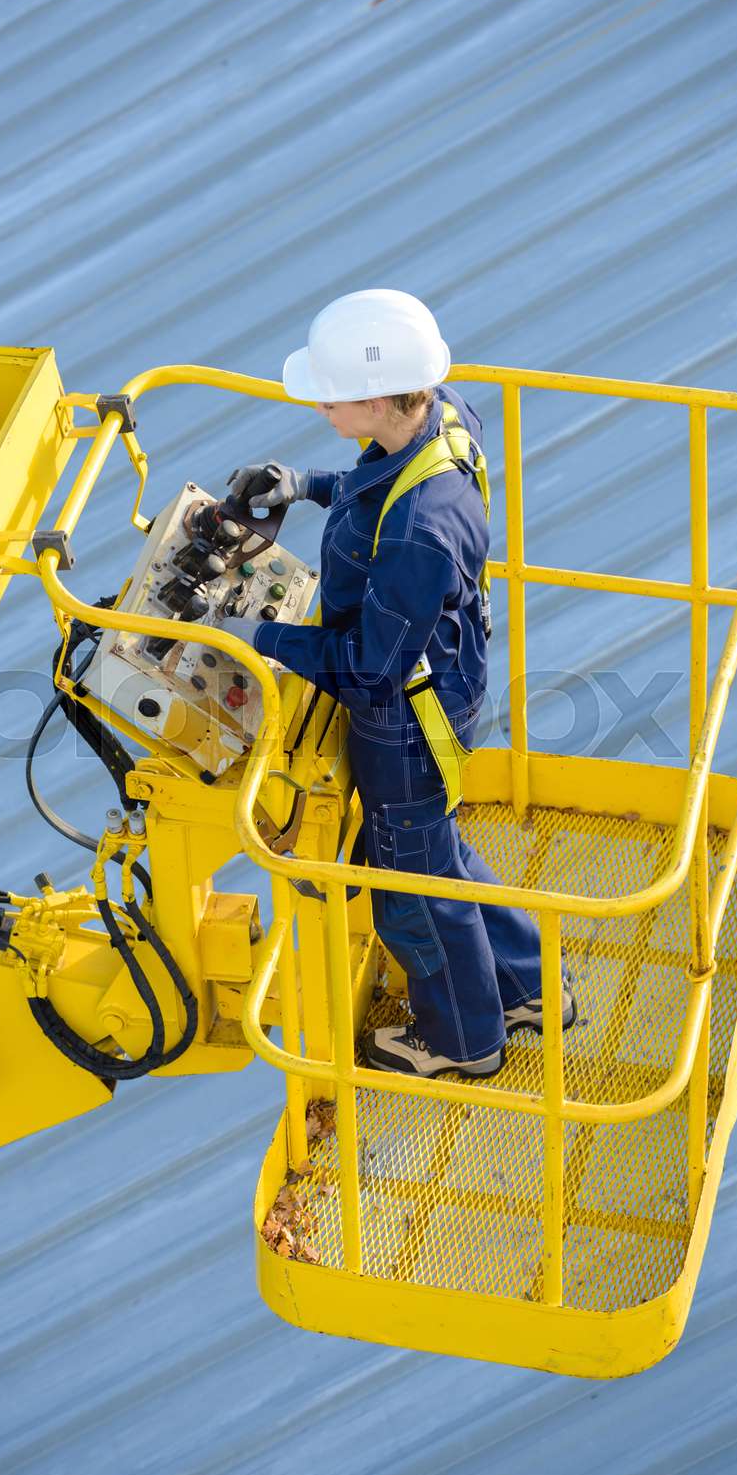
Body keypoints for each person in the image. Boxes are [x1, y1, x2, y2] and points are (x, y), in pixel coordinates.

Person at [223, 289, 574, 1077]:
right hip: (446, 676)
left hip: (405, 720)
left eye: (331, 396)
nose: (319, 406)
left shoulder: (419, 532)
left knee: (412, 881)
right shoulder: (443, 418)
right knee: (437, 846)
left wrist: (255, 638)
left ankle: (463, 1043)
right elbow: (380, 484)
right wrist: (306, 485)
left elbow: (367, 669)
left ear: (379, 399)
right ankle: (533, 990)